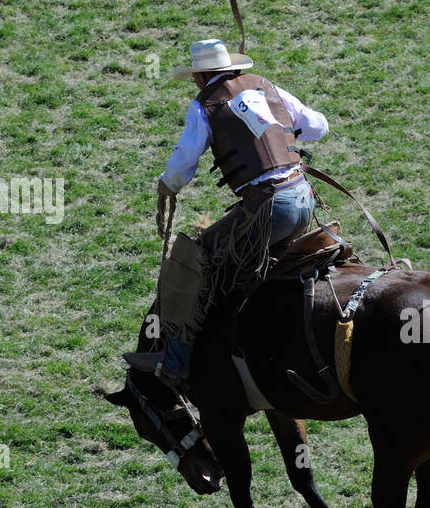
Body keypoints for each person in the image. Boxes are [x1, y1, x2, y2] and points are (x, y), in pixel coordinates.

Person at [124, 38, 329, 388]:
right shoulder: (267, 86)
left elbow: (183, 164)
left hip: (268, 209)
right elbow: (318, 126)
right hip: (304, 198)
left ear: (202, 76)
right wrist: (278, 137)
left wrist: (166, 187)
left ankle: (176, 361)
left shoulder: (204, 106)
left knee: (195, 259)